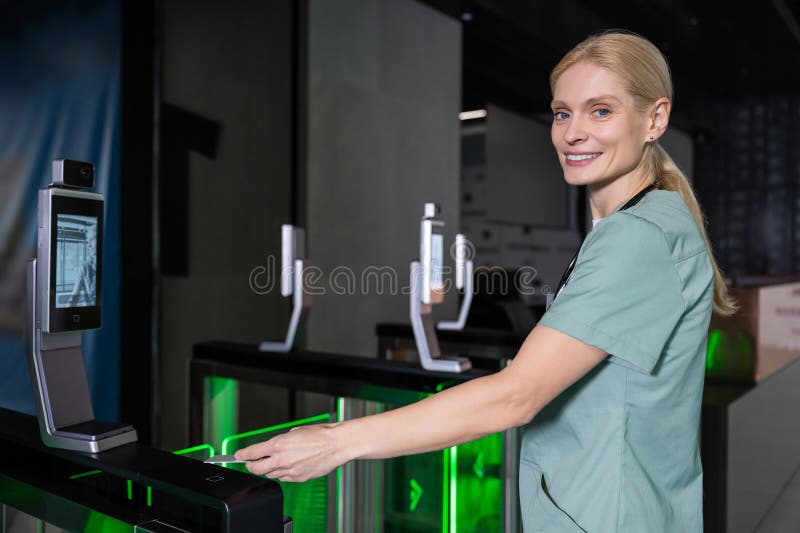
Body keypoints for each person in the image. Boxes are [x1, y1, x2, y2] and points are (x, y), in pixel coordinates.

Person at [235, 30, 737, 532]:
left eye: (600, 110)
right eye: (562, 113)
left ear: (655, 119)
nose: (573, 133)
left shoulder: (636, 238)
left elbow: (517, 396)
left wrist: (334, 442)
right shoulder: (650, 221)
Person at [68, 222, 97, 307]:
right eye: (88, 242)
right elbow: (74, 298)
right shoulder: (84, 267)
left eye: (92, 240)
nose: (89, 245)